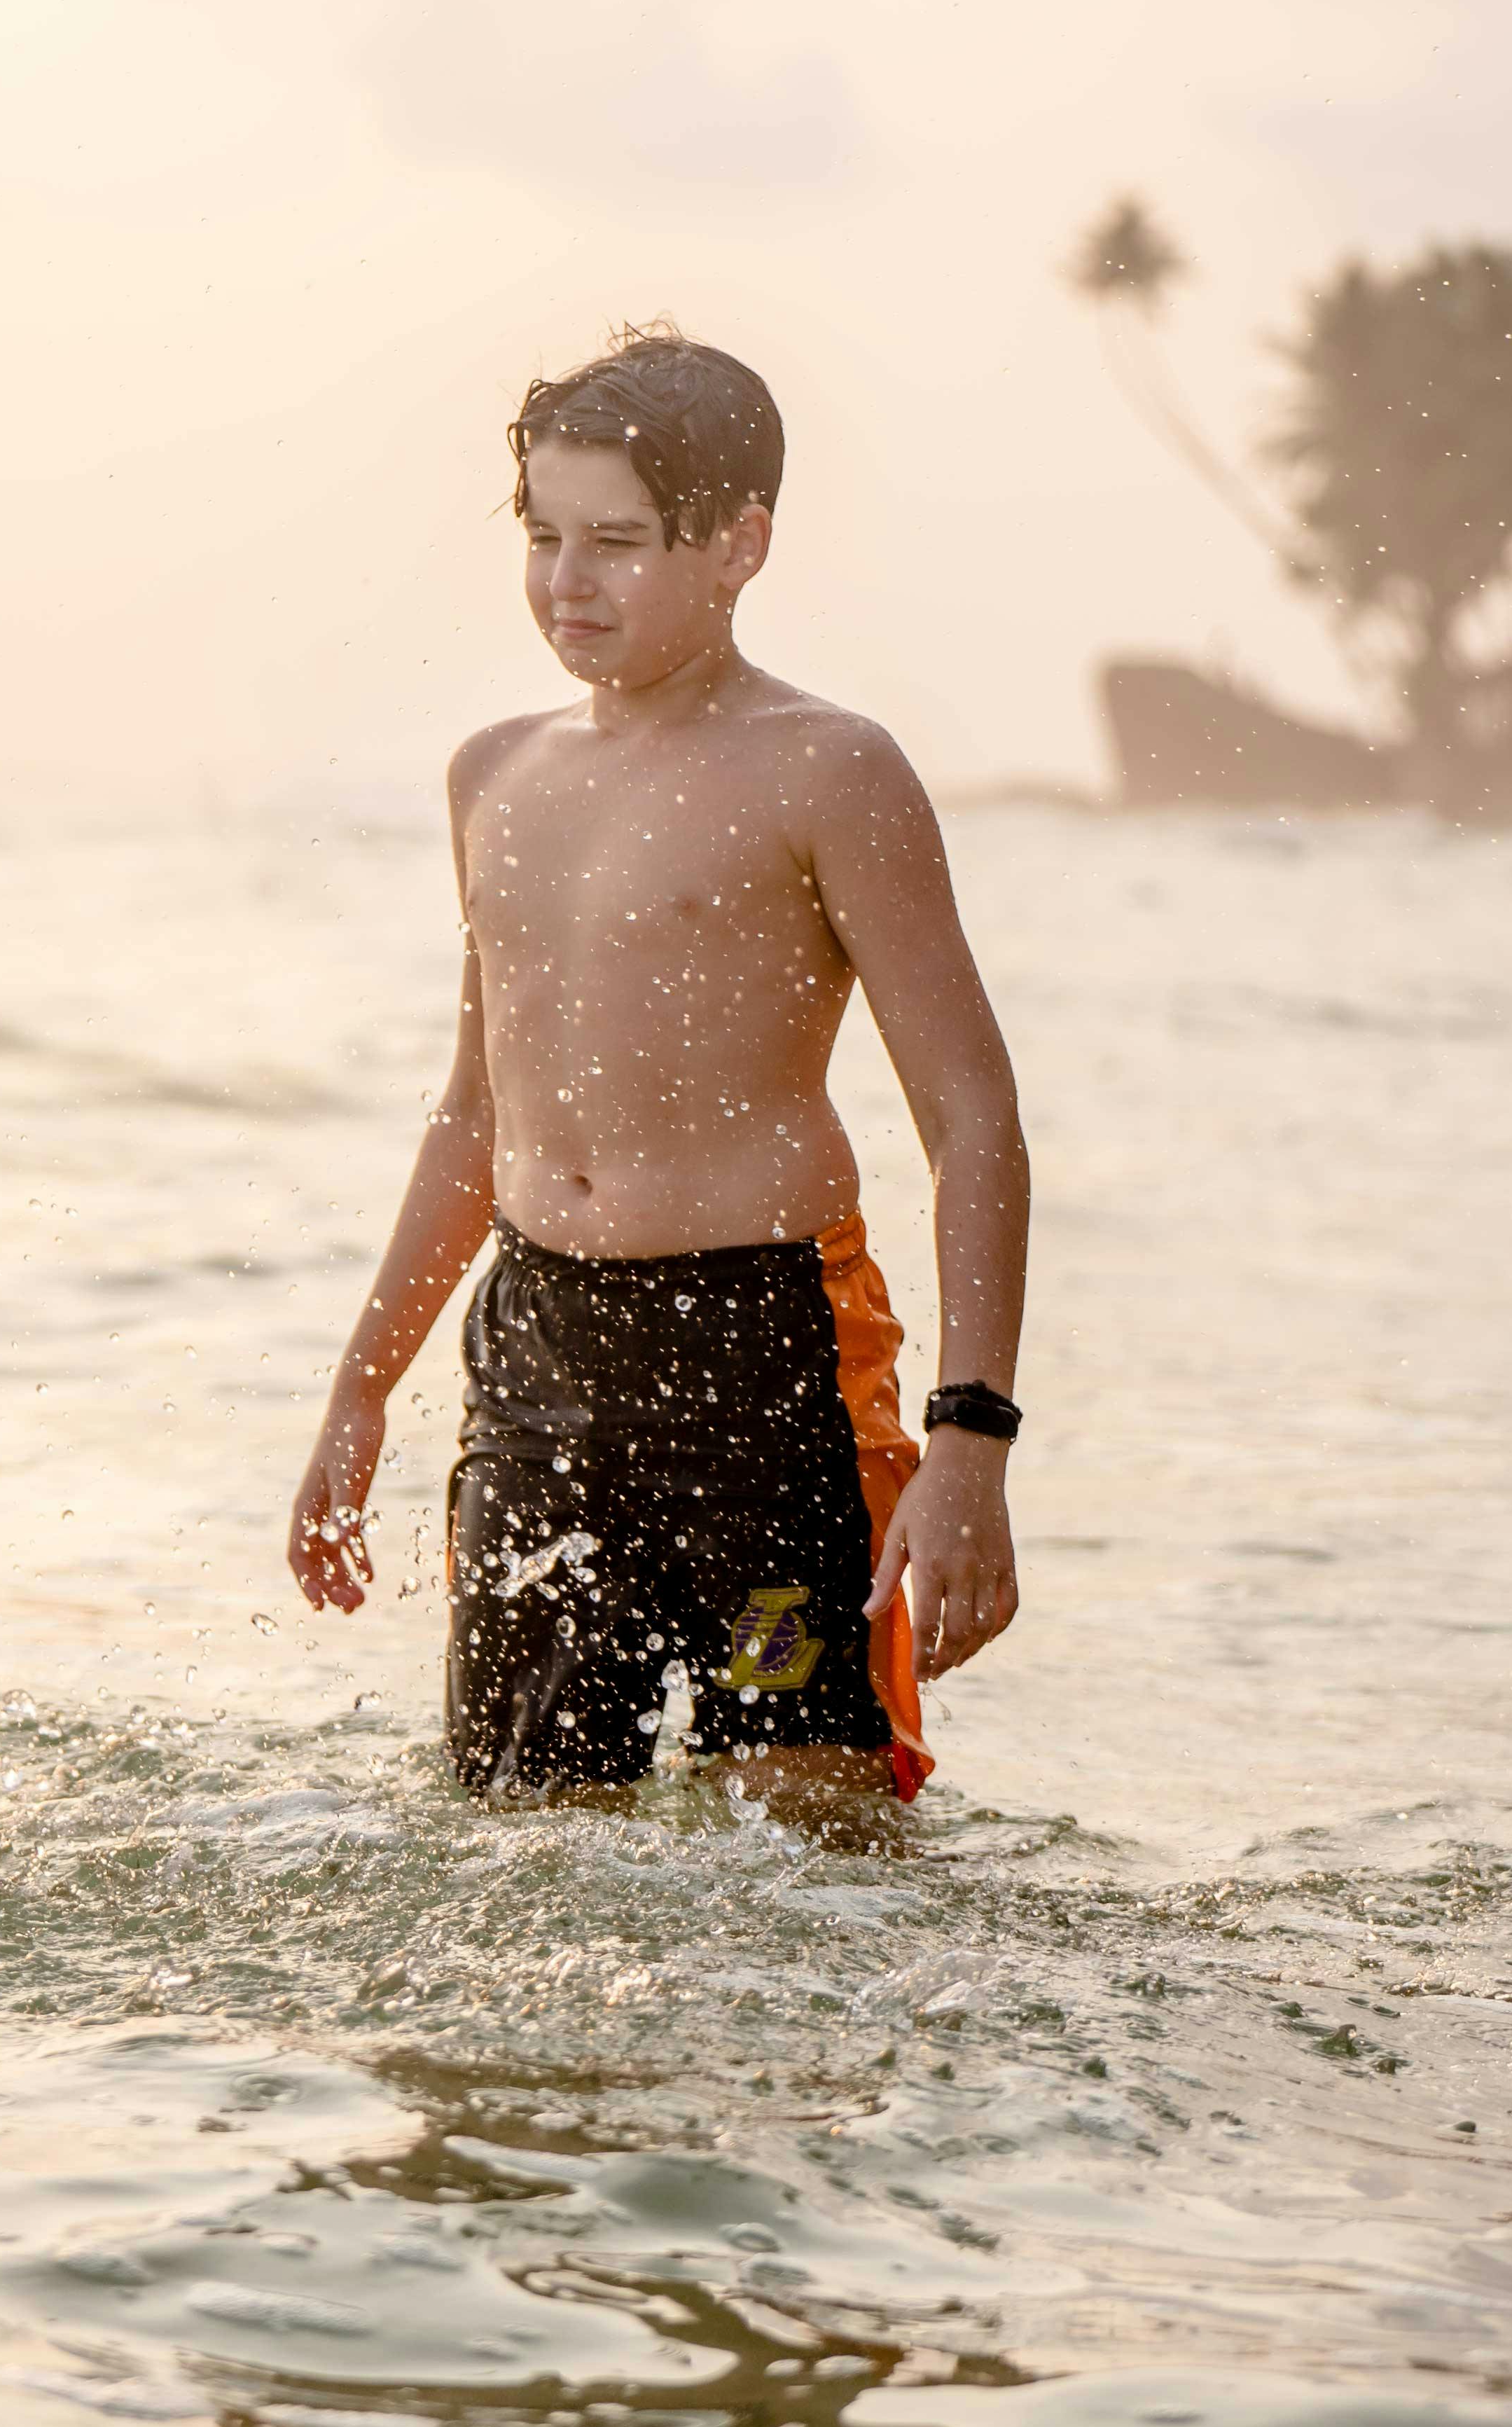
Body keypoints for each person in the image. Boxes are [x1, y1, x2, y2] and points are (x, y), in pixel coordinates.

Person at [285, 325, 1029, 1816]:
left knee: (809, 1828)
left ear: (739, 543)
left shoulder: (829, 769)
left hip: (768, 1370)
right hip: (540, 1359)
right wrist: (362, 1386)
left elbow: (975, 1124)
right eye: (545, 536)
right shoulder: (494, 774)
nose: (571, 581)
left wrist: (971, 1449)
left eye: (618, 541)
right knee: (522, 1837)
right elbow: (475, 1113)